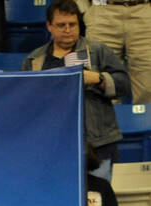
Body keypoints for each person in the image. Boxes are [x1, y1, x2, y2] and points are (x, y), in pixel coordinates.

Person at [24, 1, 130, 179]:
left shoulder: (97, 50)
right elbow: (26, 102)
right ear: (49, 26)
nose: (68, 29)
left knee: (96, 200)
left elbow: (124, 84)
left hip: (97, 144)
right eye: (61, 25)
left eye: (72, 24)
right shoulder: (34, 60)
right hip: (53, 145)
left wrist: (99, 79)